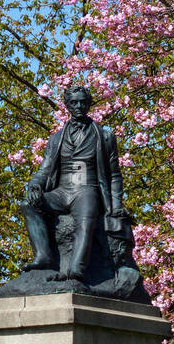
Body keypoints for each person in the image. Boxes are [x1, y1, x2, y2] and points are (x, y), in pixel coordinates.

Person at [20, 86, 128, 282]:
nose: (79, 106)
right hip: (62, 190)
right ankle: (43, 256)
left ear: (89, 104)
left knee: (85, 224)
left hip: (87, 189)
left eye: (83, 102)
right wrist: (34, 185)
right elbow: (44, 170)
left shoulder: (104, 136)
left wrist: (116, 206)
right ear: (67, 105)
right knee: (28, 204)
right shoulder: (55, 139)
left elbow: (114, 175)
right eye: (74, 102)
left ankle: (76, 271)